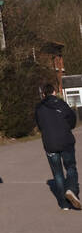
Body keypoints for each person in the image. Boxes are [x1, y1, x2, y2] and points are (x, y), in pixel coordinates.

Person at [34, 84, 81, 212]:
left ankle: (63, 204)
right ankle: (71, 189)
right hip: (66, 141)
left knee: (58, 174)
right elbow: (72, 120)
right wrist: (66, 128)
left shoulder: (39, 108)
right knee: (70, 167)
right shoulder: (62, 104)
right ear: (54, 92)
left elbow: (39, 124)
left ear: (43, 94)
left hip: (50, 144)